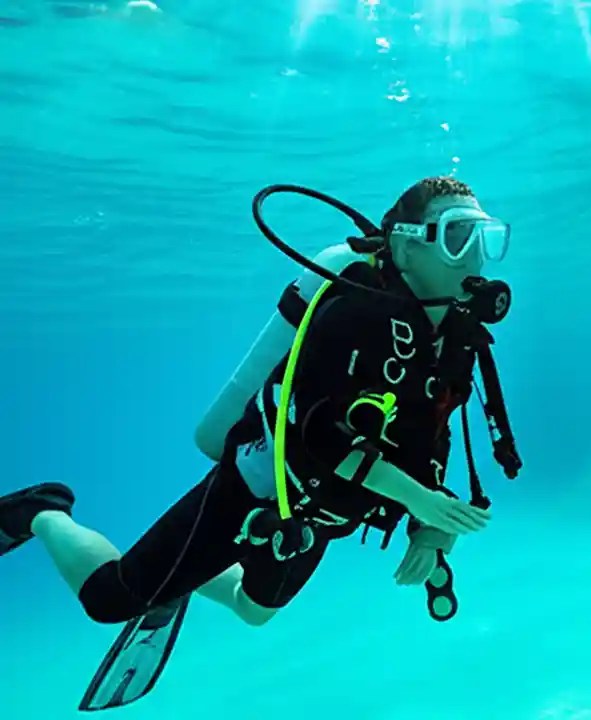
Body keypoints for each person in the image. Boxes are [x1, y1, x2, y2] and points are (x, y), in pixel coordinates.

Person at [0, 176, 524, 710]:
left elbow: (431, 437)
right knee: (111, 599)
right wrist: (417, 499)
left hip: (318, 513)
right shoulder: (353, 313)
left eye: (487, 239)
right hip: (256, 488)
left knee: (254, 611)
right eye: (459, 236)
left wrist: (430, 527)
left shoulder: (457, 337)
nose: (477, 257)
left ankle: (183, 577)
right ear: (408, 243)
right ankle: (43, 512)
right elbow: (318, 436)